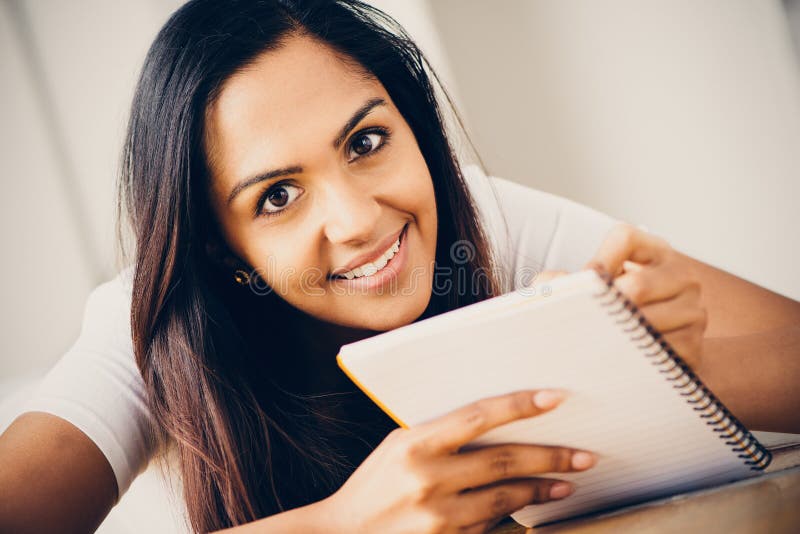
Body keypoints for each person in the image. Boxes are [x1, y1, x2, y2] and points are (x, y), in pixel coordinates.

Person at [1, 1, 798, 532]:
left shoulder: (473, 219)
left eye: (366, 142)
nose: (357, 221)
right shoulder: (144, 323)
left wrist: (661, 368)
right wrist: (340, 523)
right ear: (221, 248)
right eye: (277, 196)